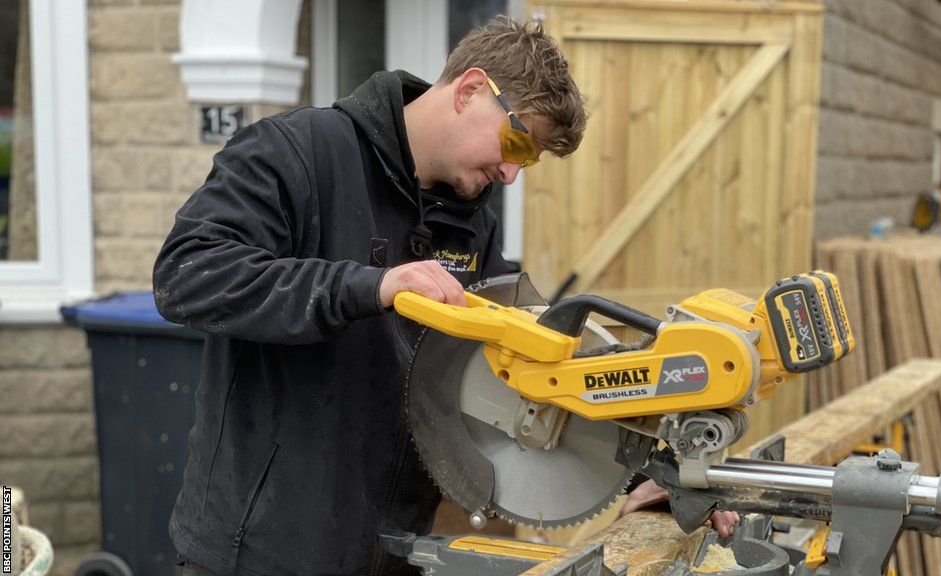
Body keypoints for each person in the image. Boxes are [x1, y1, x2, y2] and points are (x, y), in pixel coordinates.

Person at [154, 15, 735, 576]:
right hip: (258, 552)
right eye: (518, 143)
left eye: (529, 159)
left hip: (393, 549)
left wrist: (646, 469)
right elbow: (188, 275)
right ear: (472, 90)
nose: (513, 173)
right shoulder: (297, 153)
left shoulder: (468, 224)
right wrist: (372, 285)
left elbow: (523, 372)